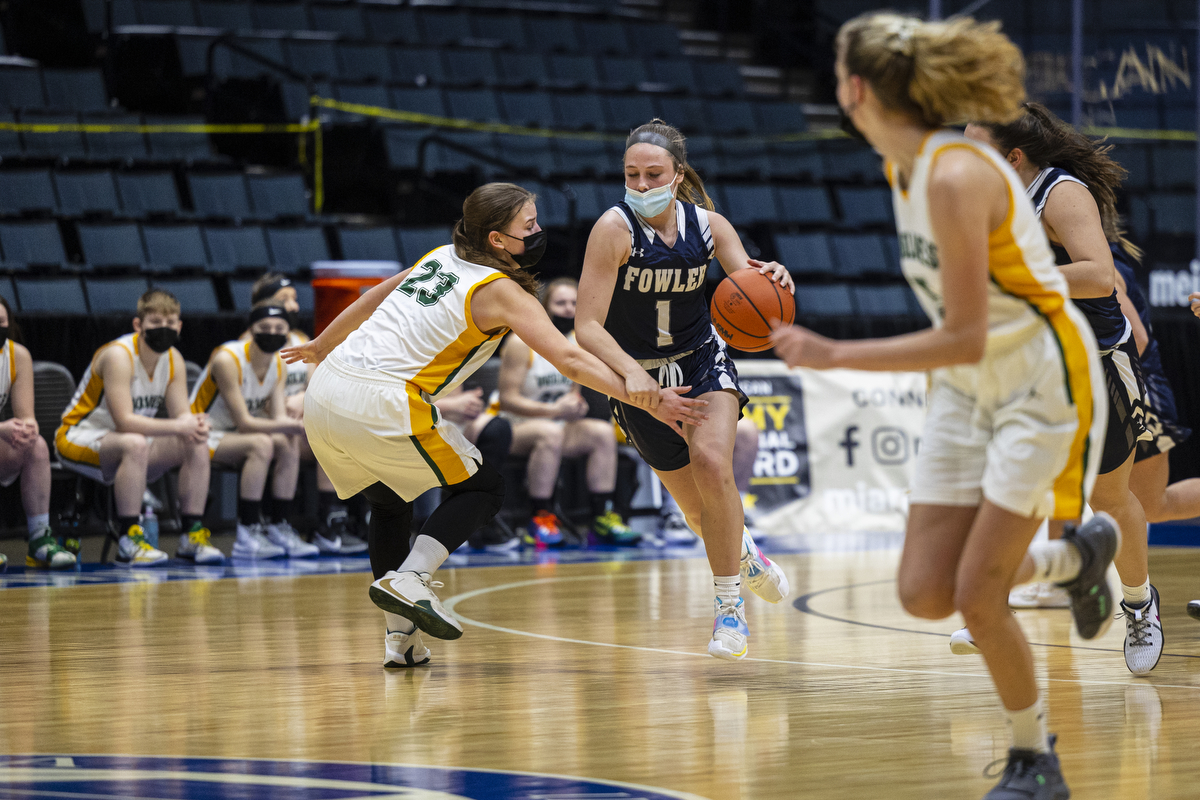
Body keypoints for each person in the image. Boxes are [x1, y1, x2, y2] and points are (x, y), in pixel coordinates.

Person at [771, 14, 1117, 798]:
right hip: (970, 386)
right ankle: (1074, 558)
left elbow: (963, 333)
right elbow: (962, 340)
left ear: (857, 89)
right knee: (924, 594)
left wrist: (835, 356)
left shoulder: (959, 174)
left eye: (837, 75)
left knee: (976, 595)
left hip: (1038, 382)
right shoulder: (902, 169)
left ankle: (1036, 760)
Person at [282, 182, 704, 668]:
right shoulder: (499, 290)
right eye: (530, 226)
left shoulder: (439, 256)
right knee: (483, 489)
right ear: (498, 240)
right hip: (382, 398)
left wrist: (320, 345)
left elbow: (377, 294)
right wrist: (645, 398)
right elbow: (569, 357)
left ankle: (401, 640)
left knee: (390, 502)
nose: (540, 232)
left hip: (326, 390)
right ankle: (412, 577)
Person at [575, 118, 791, 661]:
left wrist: (776, 279)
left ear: (677, 176)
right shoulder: (613, 229)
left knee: (714, 464)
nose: (642, 185)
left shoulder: (712, 226)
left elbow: (749, 287)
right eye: (632, 175)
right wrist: (634, 377)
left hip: (700, 360)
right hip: (638, 376)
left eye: (653, 174)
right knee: (698, 514)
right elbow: (587, 326)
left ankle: (729, 610)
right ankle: (744, 554)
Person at [958, 103, 1161, 675]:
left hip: (1095, 359)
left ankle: (1139, 603)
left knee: (1109, 499)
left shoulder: (1061, 193)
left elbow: (1099, 274)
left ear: (1013, 157)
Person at [56, 289, 216, 566]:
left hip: (128, 443)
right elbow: (124, 421)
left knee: (195, 440)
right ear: (138, 325)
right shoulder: (118, 355)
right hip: (78, 436)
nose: (164, 330)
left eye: (170, 324)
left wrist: (195, 423)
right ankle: (129, 539)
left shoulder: (173, 358)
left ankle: (191, 535)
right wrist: (180, 425)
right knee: (135, 441)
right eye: (155, 323)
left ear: (179, 327)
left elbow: (181, 417)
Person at [493, 277, 639, 547]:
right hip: (516, 426)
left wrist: (574, 404)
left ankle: (601, 517)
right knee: (549, 433)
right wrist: (554, 410)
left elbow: (573, 391)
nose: (569, 309)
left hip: (557, 424)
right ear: (545, 307)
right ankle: (540, 518)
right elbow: (507, 400)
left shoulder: (577, 343)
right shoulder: (520, 343)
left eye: (574, 303)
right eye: (561, 303)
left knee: (602, 432)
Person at [241, 274, 368, 555]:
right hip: (268, 425)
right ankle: (287, 523)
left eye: (294, 299)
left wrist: (303, 398)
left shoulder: (300, 339)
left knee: (340, 435)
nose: (293, 306)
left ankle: (337, 522)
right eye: (284, 300)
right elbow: (252, 396)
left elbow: (316, 382)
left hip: (303, 422)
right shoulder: (251, 345)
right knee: (321, 438)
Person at [190, 303, 312, 559]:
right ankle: (247, 531)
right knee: (262, 443)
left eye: (279, 328)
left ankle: (279, 526)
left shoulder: (278, 364)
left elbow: (279, 418)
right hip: (202, 433)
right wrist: (294, 425)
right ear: (251, 330)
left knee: (287, 440)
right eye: (265, 328)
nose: (272, 332)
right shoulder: (228, 359)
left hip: (234, 435)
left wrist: (294, 426)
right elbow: (245, 422)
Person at [0, 297, 74, 570]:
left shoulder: (17, 355)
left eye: (1, 324)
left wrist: (26, 428)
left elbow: (26, 414)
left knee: (37, 446)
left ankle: (40, 540)